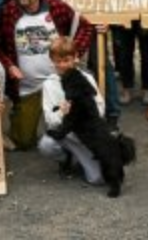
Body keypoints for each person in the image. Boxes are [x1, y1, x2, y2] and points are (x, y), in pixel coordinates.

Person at [0, 0, 93, 150]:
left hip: (58, 83)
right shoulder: (8, 11)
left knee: (69, 129)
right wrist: (9, 66)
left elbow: (85, 26)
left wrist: (73, 52)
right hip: (27, 87)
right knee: (23, 142)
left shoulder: (57, 7)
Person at [38, 37, 107, 185]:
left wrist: (84, 110)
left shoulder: (86, 78)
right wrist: (62, 112)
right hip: (66, 133)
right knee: (46, 145)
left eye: (67, 60)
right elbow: (50, 119)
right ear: (52, 60)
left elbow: (100, 107)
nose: (62, 65)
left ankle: (80, 159)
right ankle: (67, 158)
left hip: (86, 133)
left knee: (97, 179)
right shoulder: (49, 84)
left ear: (76, 57)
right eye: (58, 61)